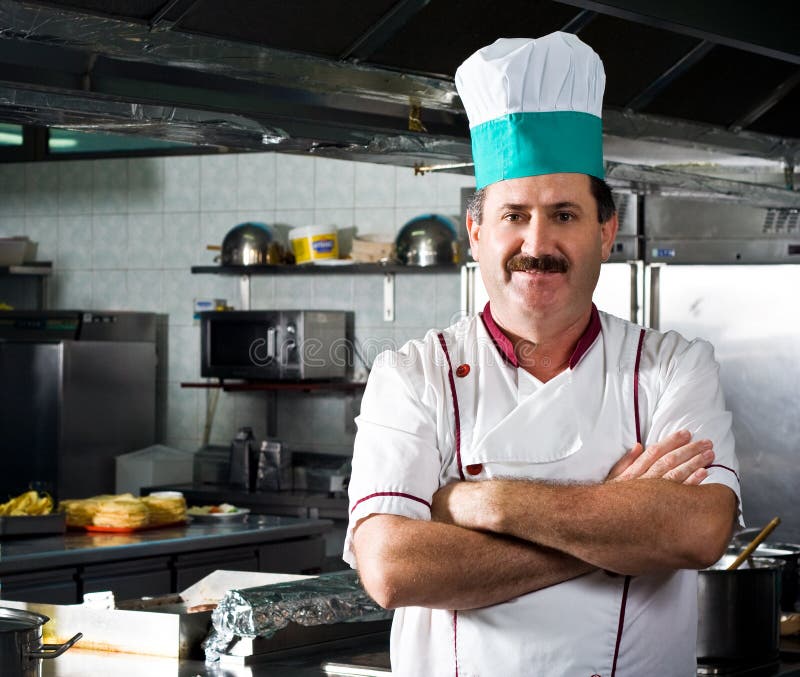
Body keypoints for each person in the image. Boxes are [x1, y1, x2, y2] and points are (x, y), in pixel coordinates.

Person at [345, 32, 742, 676]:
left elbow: (697, 531)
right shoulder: (413, 375)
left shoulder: (671, 366)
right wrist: (623, 530)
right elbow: (391, 568)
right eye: (514, 215)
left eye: (564, 214)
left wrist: (485, 504)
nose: (537, 242)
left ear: (605, 231)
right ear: (476, 232)